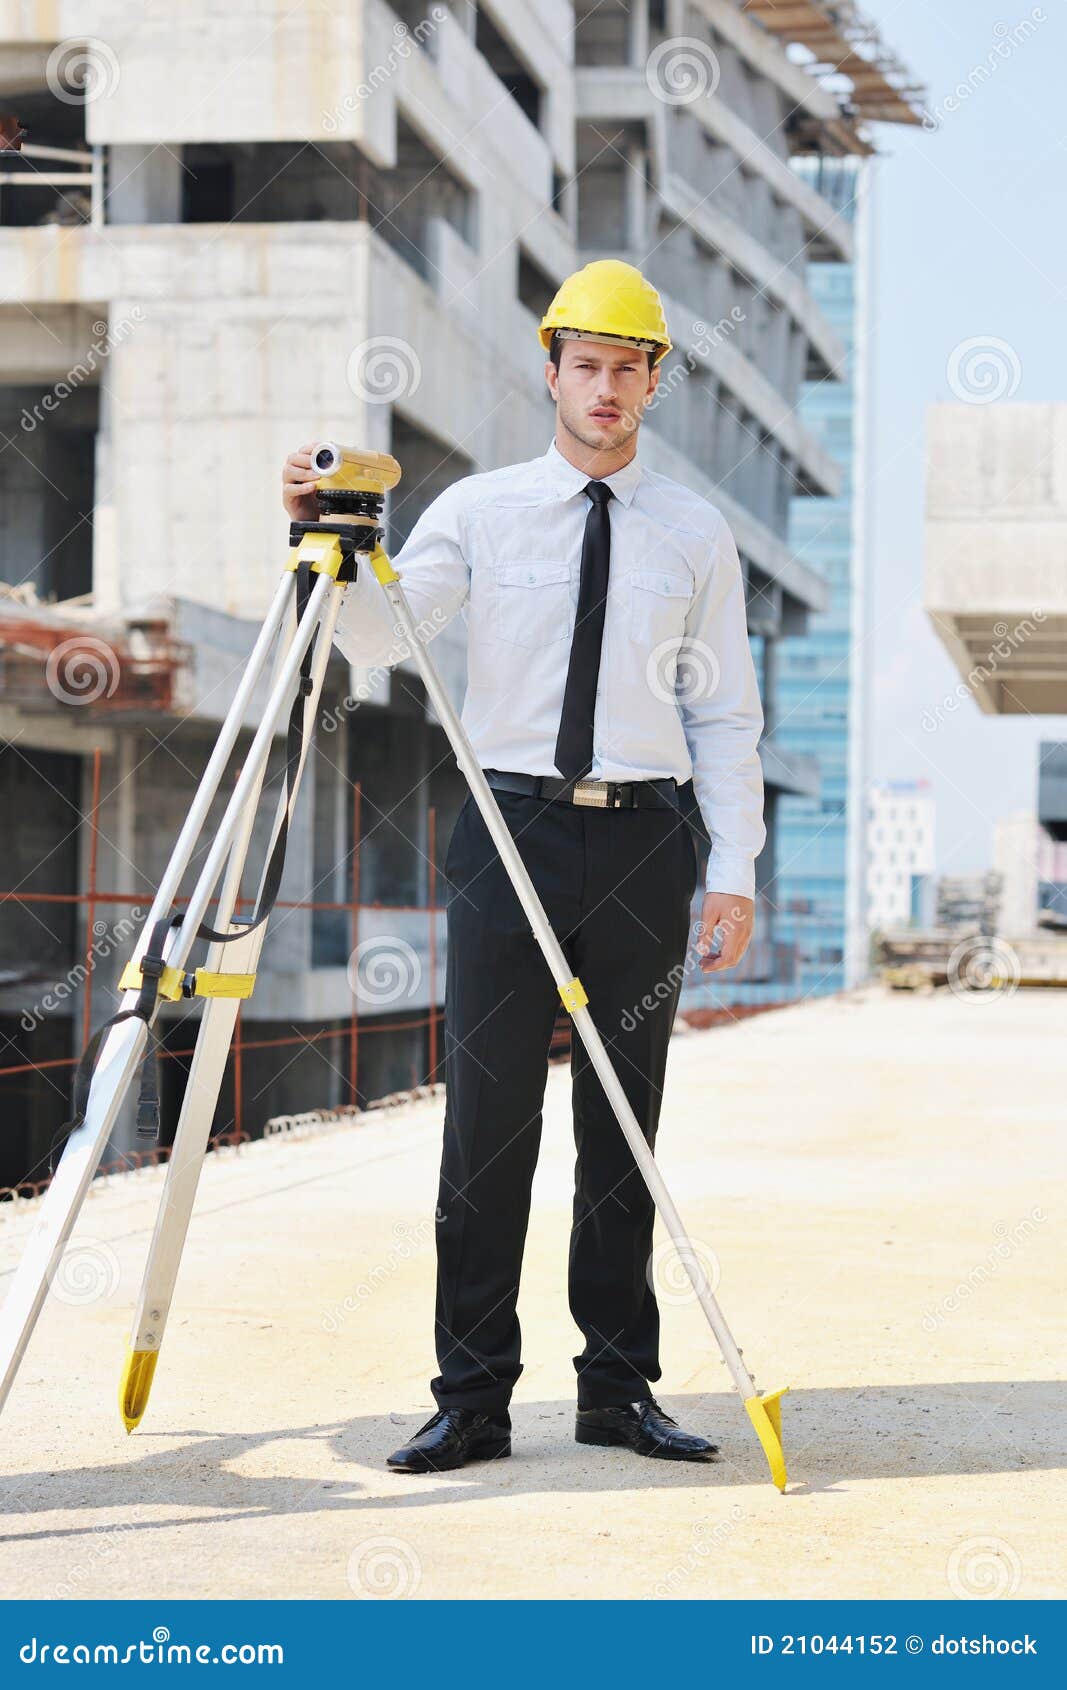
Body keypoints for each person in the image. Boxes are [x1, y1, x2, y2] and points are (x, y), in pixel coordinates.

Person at [281, 259, 765, 1474]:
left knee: (622, 1122)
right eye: (586, 366)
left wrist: (734, 866)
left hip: (647, 841)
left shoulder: (696, 533)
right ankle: (473, 1397)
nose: (605, 389)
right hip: (507, 833)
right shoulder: (475, 513)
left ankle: (615, 1388)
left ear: (653, 383)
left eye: (628, 369)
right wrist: (322, 548)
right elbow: (387, 639)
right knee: (488, 1125)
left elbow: (725, 718)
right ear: (549, 370)